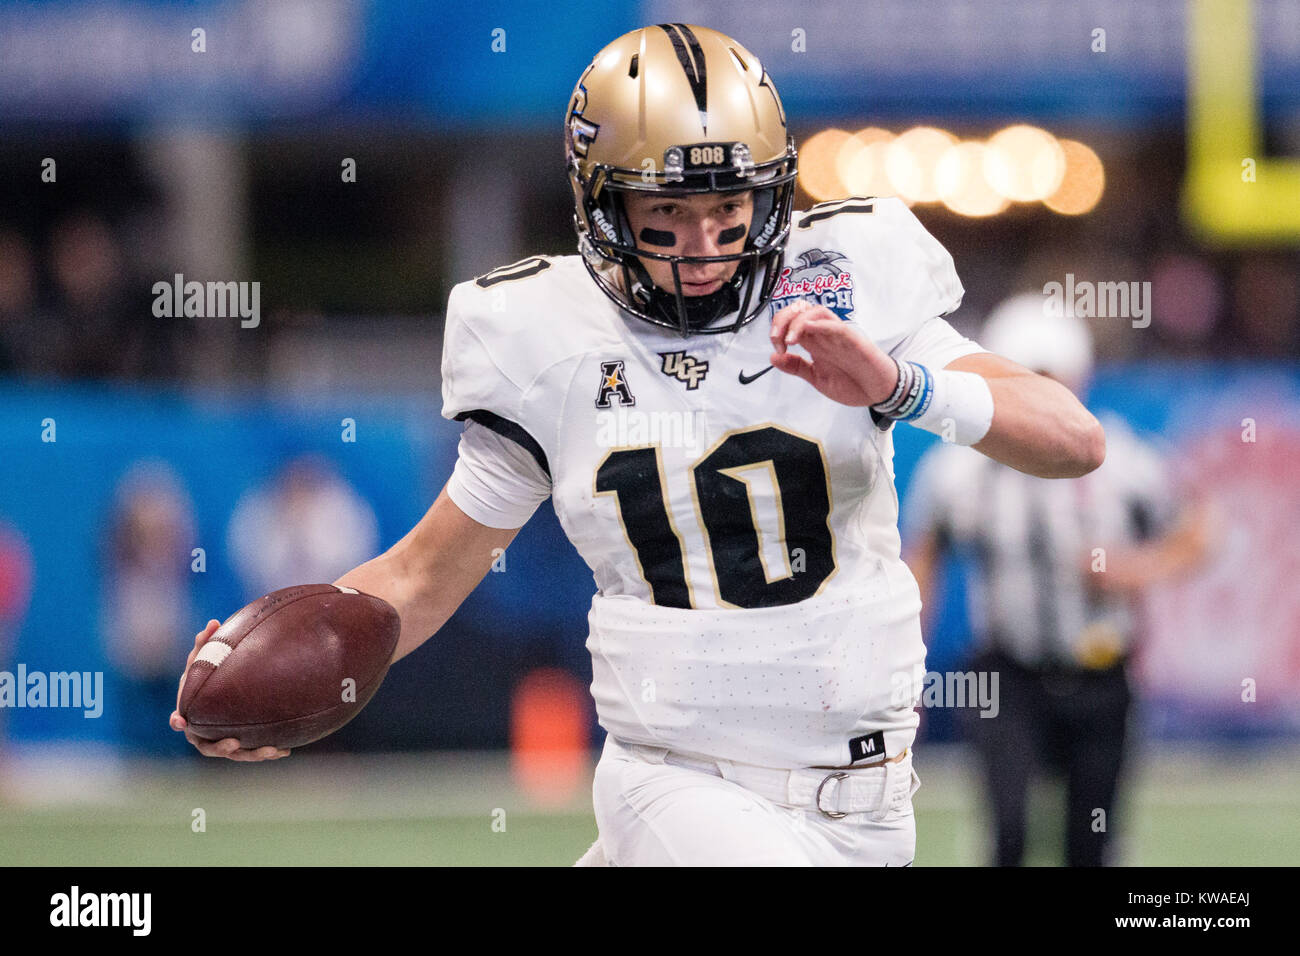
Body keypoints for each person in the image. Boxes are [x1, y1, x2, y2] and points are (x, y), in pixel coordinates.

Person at [170, 24, 1104, 866]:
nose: (703, 249)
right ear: (601, 207)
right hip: (677, 782)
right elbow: (419, 577)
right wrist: (281, 667)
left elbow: (1074, 439)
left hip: (867, 803)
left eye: (729, 214)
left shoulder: (849, 279)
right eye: (666, 219)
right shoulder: (543, 336)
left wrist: (904, 387)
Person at [903, 293, 1209, 866]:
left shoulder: (1123, 458)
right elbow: (922, 568)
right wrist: (903, 672)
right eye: (1030, 380)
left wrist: (1133, 567)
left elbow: (1196, 535)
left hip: (1100, 672)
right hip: (1007, 677)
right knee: (1009, 833)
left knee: (1089, 844)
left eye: (1052, 379)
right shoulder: (960, 468)